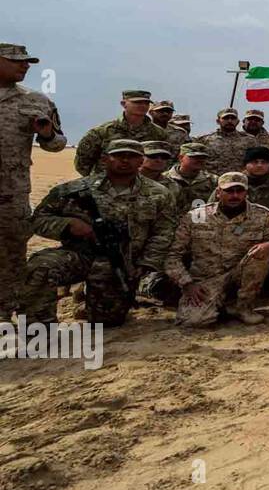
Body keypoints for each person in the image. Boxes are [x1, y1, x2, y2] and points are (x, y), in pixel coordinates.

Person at [26, 139, 175, 325]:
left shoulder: (159, 194)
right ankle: (40, 328)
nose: (125, 161)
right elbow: (38, 220)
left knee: (106, 321)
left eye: (132, 156)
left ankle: (86, 297)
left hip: (120, 263)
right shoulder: (74, 189)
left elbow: (163, 232)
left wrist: (144, 265)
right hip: (79, 255)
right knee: (41, 266)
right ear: (105, 159)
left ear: (141, 161)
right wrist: (68, 224)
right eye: (119, 156)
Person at [0, 42, 66, 317]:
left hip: (10, 196)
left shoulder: (36, 101)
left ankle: (4, 313)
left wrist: (48, 133)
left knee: (11, 256)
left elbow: (57, 144)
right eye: (16, 60)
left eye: (28, 61)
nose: (24, 65)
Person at [167, 172, 269, 327]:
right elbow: (172, 255)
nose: (235, 195)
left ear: (246, 192)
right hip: (207, 278)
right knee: (193, 321)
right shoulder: (197, 216)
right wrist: (187, 284)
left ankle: (244, 307)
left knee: (260, 254)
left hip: (242, 275)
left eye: (239, 191)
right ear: (218, 192)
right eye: (229, 191)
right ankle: (224, 305)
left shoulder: (262, 215)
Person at [74, 89, 169, 175]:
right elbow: (82, 163)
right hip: (106, 186)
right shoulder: (102, 131)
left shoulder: (158, 133)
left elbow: (165, 160)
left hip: (145, 187)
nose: (143, 106)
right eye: (137, 102)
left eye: (146, 103)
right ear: (124, 104)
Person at [197, 107, 256, 175]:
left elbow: (255, 162)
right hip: (213, 182)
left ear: (237, 122)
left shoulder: (249, 140)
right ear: (218, 121)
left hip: (240, 180)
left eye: (233, 118)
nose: (230, 121)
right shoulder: (204, 140)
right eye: (226, 118)